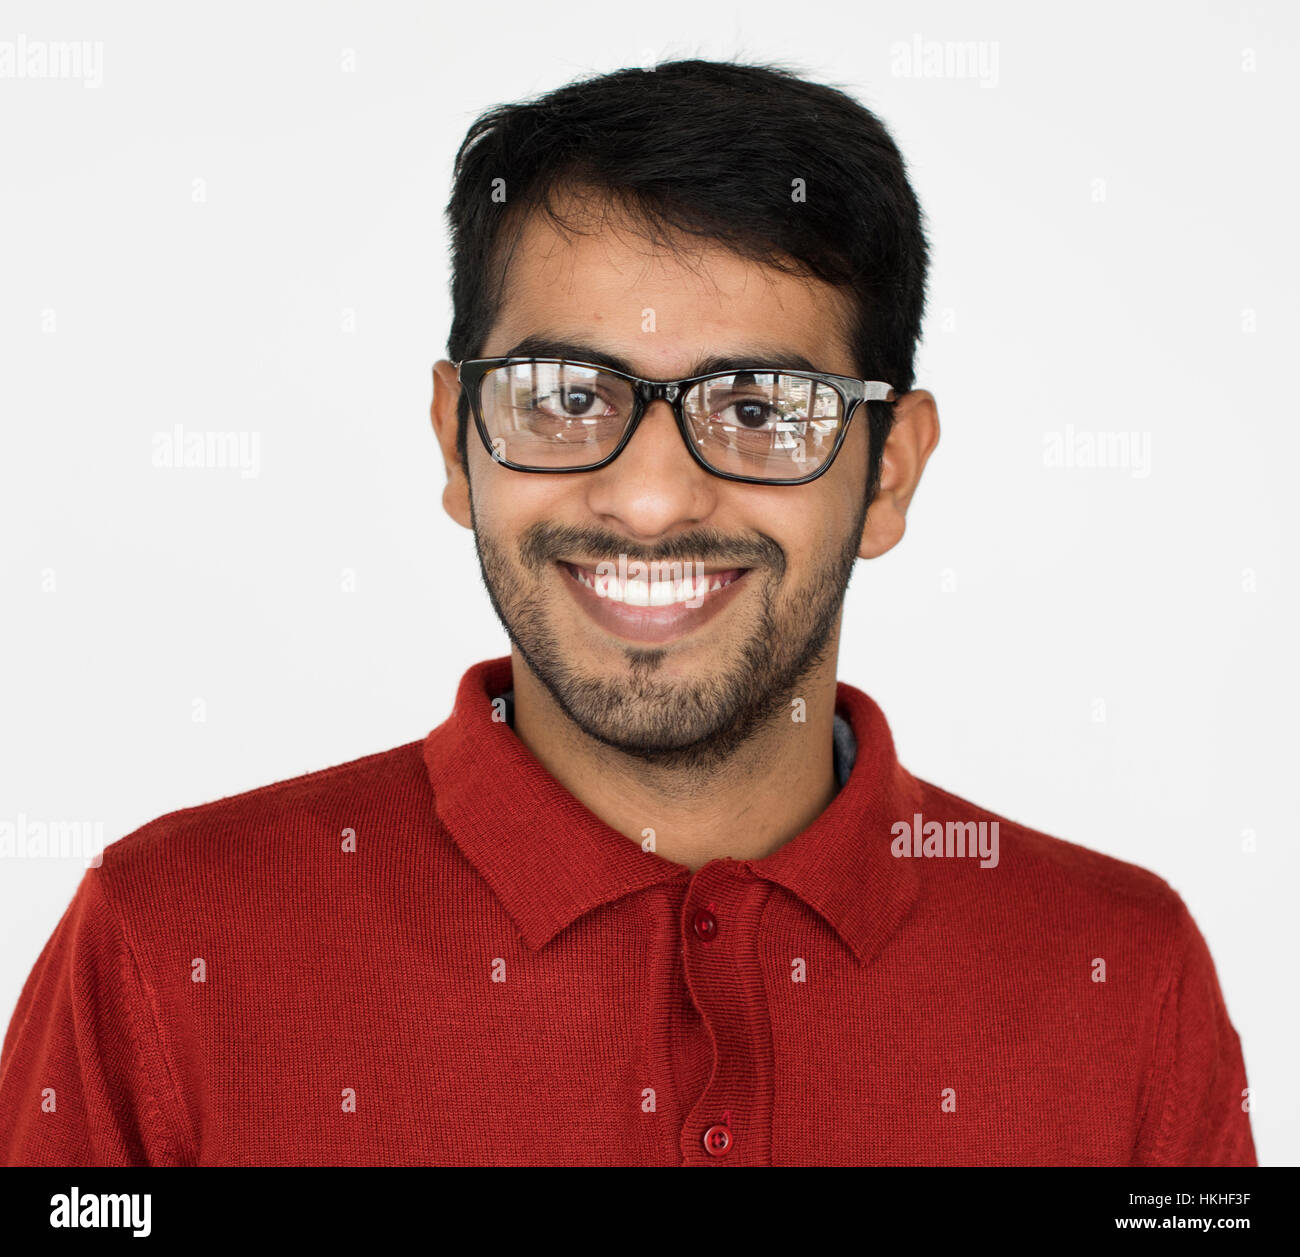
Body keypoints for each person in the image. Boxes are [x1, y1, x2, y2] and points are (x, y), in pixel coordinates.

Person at [0, 59, 1254, 1166]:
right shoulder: (167, 938)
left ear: (892, 472)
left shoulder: (1124, 973)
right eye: (563, 395)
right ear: (456, 440)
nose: (650, 500)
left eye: (759, 407)